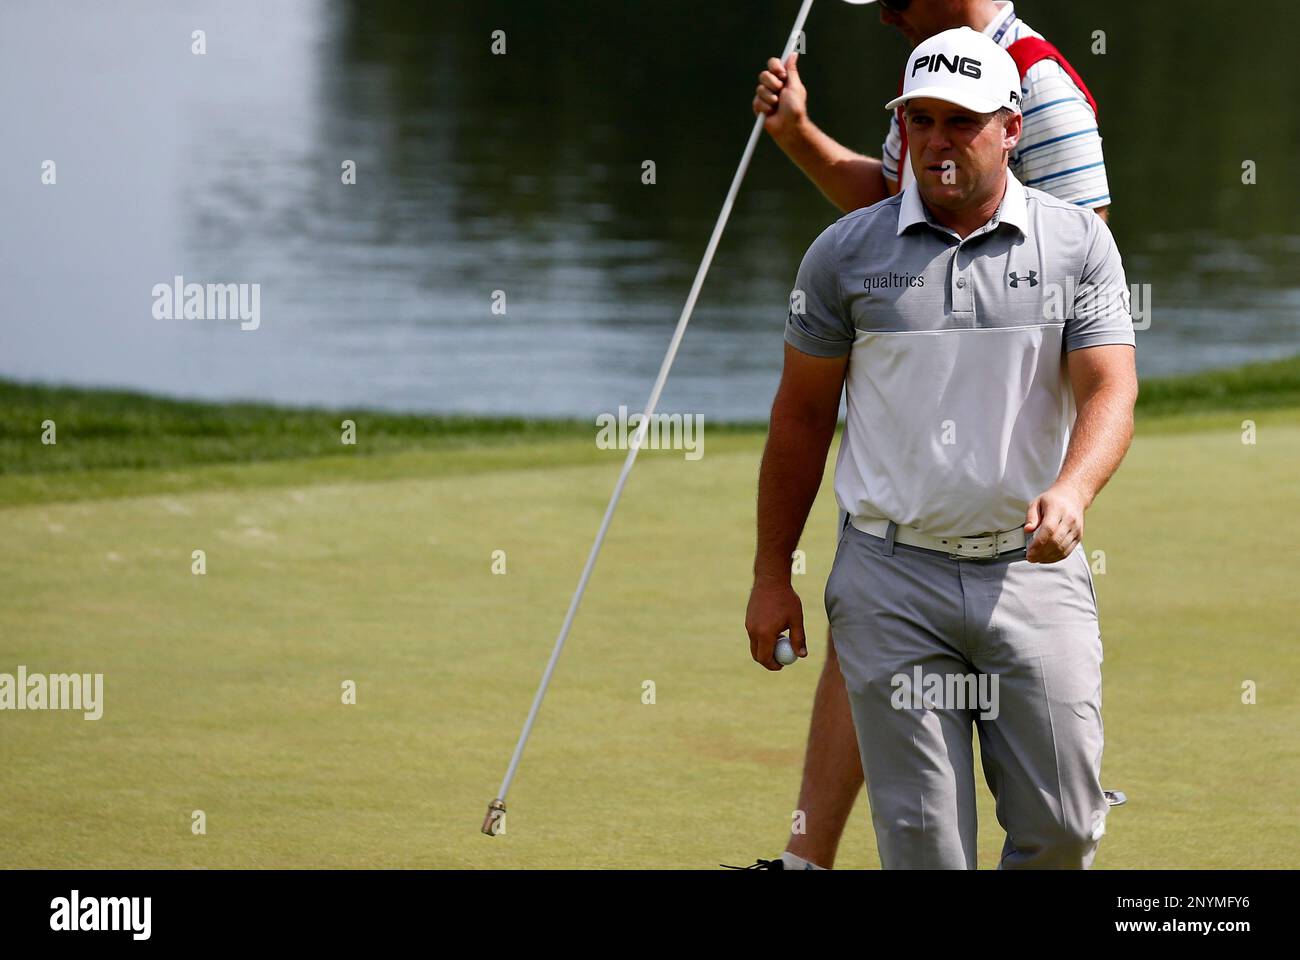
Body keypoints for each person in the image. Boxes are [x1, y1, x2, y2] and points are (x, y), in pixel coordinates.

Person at [742, 26, 1137, 869]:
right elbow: (801, 420)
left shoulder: (1077, 245)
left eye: (960, 121)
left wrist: (1072, 492)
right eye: (920, 121)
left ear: (1011, 128)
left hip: (1030, 577)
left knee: (1064, 828)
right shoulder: (845, 255)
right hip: (892, 583)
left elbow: (1111, 389)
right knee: (926, 848)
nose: (936, 141)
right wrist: (773, 574)